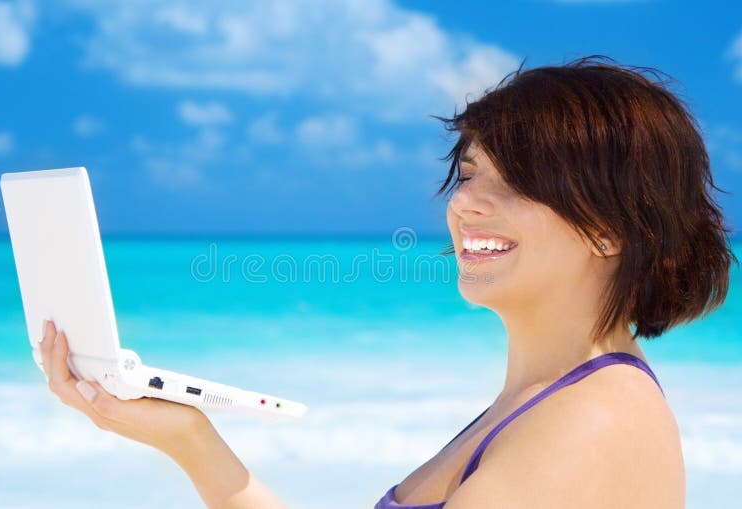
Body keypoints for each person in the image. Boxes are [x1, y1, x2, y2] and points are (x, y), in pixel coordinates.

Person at [39, 55, 737, 508]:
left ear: (610, 227)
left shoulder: (595, 419)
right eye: (468, 174)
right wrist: (187, 438)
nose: (466, 203)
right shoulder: (543, 402)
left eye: (516, 180)